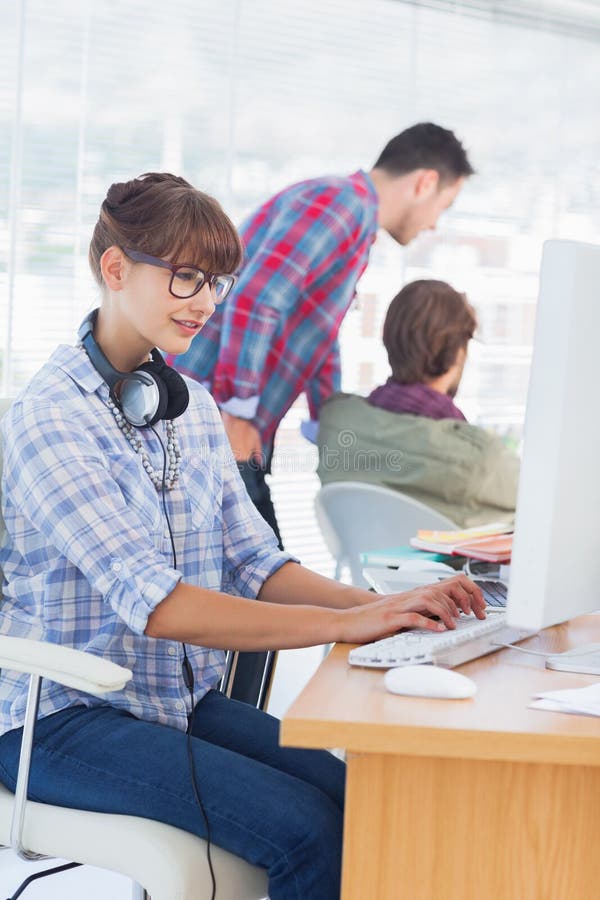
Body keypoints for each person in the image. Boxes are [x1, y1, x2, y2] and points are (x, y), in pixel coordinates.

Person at [0, 174, 485, 900]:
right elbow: (157, 604)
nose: (204, 303)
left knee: (359, 798)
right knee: (306, 833)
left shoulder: (188, 407)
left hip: (169, 702)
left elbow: (253, 560)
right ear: (115, 268)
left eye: (216, 283)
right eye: (186, 278)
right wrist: (347, 622)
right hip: (62, 719)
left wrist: (391, 608)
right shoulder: (51, 421)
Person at [169, 122, 475, 545]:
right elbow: (256, 298)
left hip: (230, 423)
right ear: (425, 183)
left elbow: (318, 334)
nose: (435, 225)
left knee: (256, 581)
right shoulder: (340, 205)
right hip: (216, 421)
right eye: (446, 205)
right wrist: (237, 408)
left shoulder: (353, 221)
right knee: (266, 584)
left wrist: (324, 420)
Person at [317, 279, 520, 528]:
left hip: (365, 567)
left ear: (388, 339)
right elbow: (537, 499)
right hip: (448, 568)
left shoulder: (336, 421)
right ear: (458, 353)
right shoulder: (482, 458)